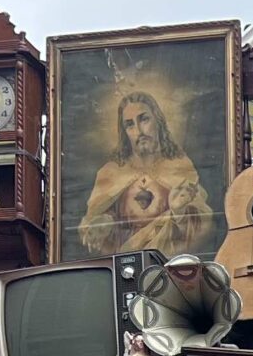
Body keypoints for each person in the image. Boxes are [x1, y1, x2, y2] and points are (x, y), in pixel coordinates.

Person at [76, 90, 218, 258]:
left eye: (144, 119)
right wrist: (105, 222)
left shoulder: (178, 166)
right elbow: (91, 233)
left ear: (158, 121)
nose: (139, 131)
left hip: (167, 263)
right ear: (125, 132)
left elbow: (204, 226)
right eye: (130, 125)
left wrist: (179, 213)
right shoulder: (111, 172)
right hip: (125, 265)